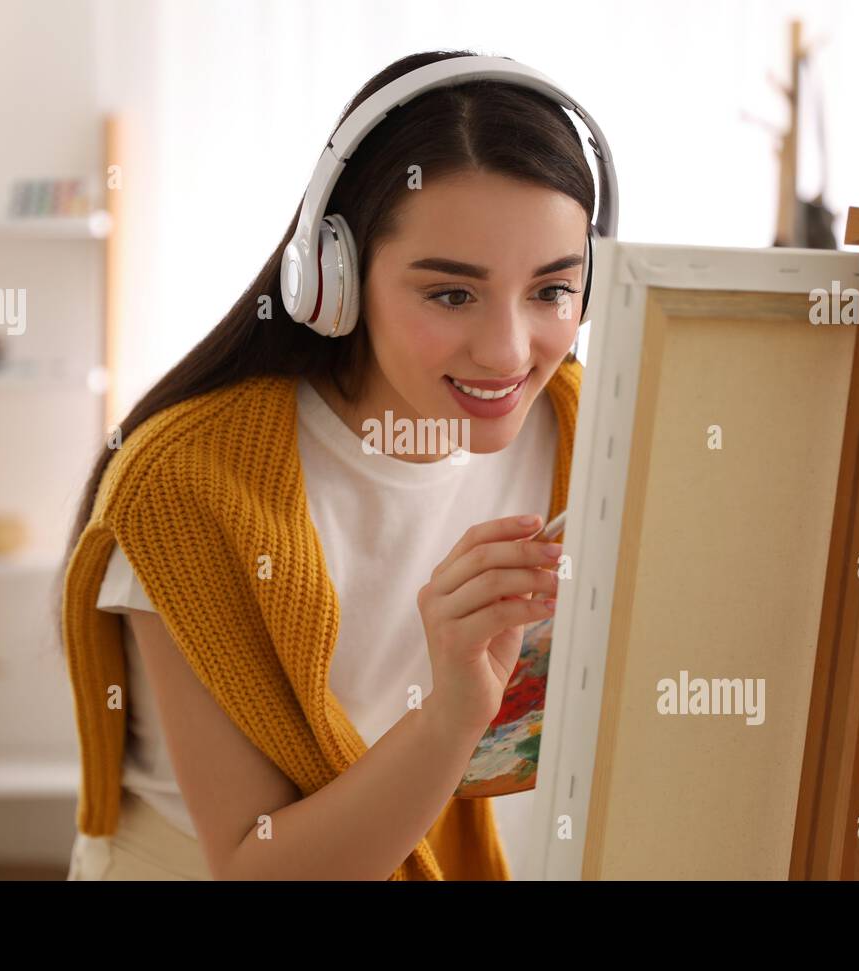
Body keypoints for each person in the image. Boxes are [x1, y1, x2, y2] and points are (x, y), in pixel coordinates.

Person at [59, 48, 617, 880]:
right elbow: (259, 867)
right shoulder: (186, 485)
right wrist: (450, 715)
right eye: (451, 294)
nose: (509, 352)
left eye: (551, 291)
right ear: (334, 278)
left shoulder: (581, 427)